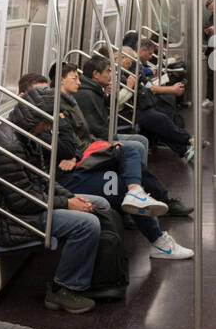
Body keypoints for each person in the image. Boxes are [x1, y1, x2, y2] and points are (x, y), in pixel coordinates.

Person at [0, 84, 118, 314]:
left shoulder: (28, 137)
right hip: (12, 218)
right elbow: (22, 201)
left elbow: (44, 181)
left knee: (99, 203)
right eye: (46, 121)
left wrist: (71, 197)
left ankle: (94, 278)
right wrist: (67, 204)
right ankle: (63, 289)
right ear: (35, 118)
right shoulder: (8, 147)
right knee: (86, 224)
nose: (48, 127)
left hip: (29, 206)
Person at [26, 80, 194, 261]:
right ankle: (158, 240)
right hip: (64, 180)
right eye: (37, 94)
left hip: (77, 165)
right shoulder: (35, 127)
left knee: (129, 153)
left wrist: (73, 154)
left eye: (46, 92)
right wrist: (62, 124)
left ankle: (136, 192)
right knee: (121, 184)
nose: (44, 99)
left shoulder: (50, 119)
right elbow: (65, 147)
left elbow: (72, 145)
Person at [41, 64, 192, 216]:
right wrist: (104, 145)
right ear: (61, 80)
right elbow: (79, 137)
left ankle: (149, 197)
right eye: (75, 78)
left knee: (136, 146)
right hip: (84, 152)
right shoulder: (64, 104)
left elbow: (86, 132)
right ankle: (151, 198)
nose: (79, 82)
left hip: (89, 145)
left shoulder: (72, 100)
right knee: (133, 149)